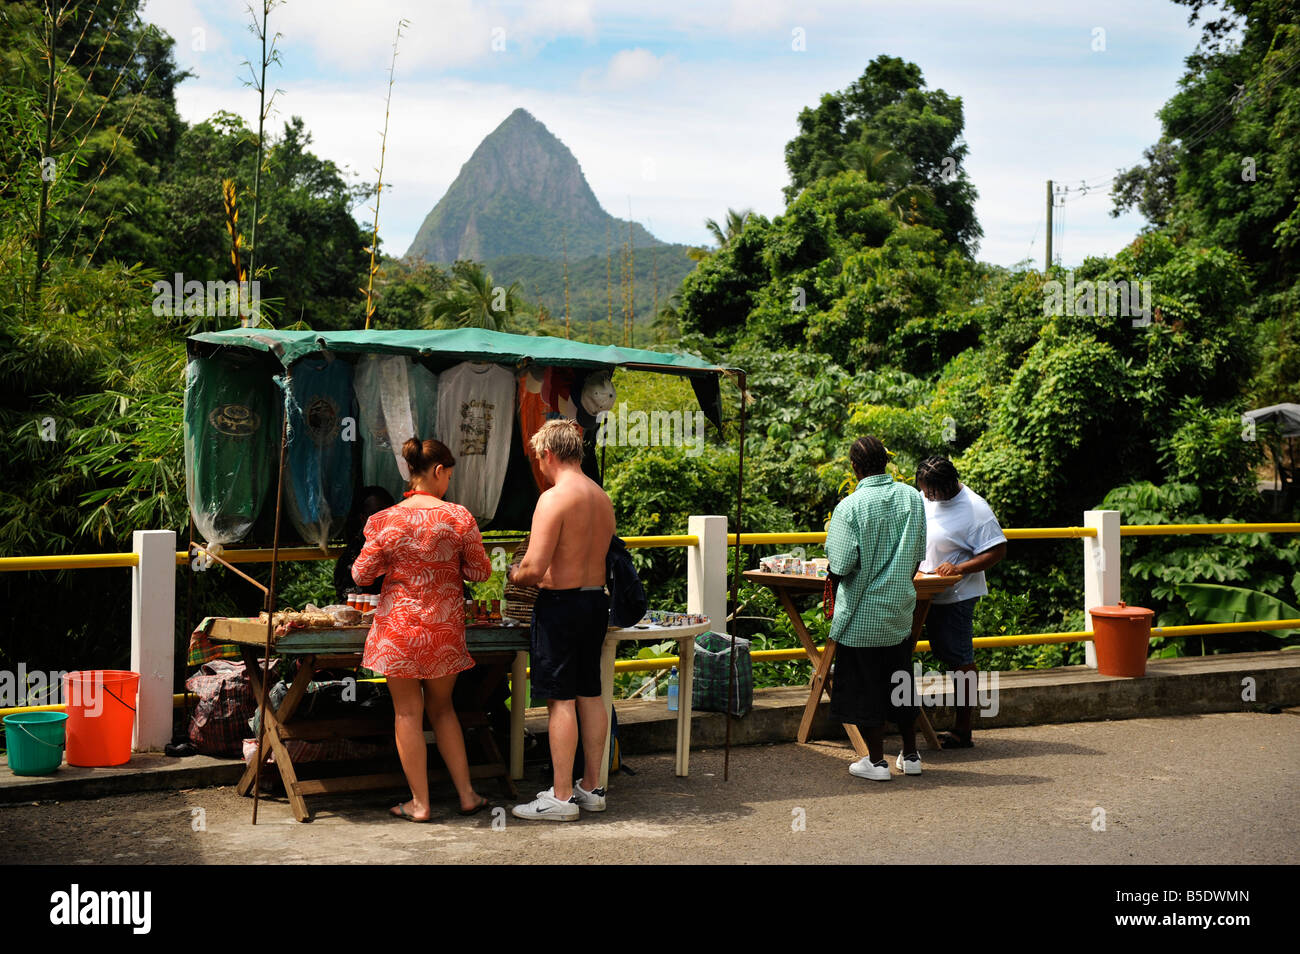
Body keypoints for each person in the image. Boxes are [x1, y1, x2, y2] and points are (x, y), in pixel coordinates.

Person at [352, 437, 494, 821]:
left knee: (407, 714)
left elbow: (361, 574)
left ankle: (420, 804)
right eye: (449, 474)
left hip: (398, 629)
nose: (449, 482)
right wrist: (451, 563)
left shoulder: (384, 520)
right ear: (437, 471)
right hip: (444, 629)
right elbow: (481, 571)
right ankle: (466, 795)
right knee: (444, 709)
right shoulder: (459, 517)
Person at [507, 419, 615, 821]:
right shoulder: (600, 497)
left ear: (548, 454)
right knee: (590, 692)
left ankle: (561, 796)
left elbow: (534, 569)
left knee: (561, 699)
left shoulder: (553, 499)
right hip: (594, 602)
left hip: (561, 607)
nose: (539, 465)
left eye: (539, 458)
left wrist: (514, 573)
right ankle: (592, 787)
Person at [825, 436, 928, 781]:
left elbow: (841, 564)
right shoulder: (912, 498)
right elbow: (916, 555)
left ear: (854, 468)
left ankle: (876, 762)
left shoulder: (850, 507)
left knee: (865, 687)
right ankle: (911, 756)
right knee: (900, 681)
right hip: (900, 609)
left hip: (861, 617)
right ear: (887, 461)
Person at [915, 456, 1006, 749]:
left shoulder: (975, 509)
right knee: (940, 652)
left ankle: (963, 730)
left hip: (955, 595)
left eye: (930, 492)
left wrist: (960, 568)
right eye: (924, 491)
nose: (926, 497)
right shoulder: (927, 497)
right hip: (925, 589)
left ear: (947, 486)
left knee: (959, 660)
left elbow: (997, 550)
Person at [334, 486, 395, 604]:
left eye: (388, 513)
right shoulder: (352, 556)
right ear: (363, 518)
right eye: (377, 514)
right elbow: (349, 601)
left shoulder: (403, 544)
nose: (384, 519)